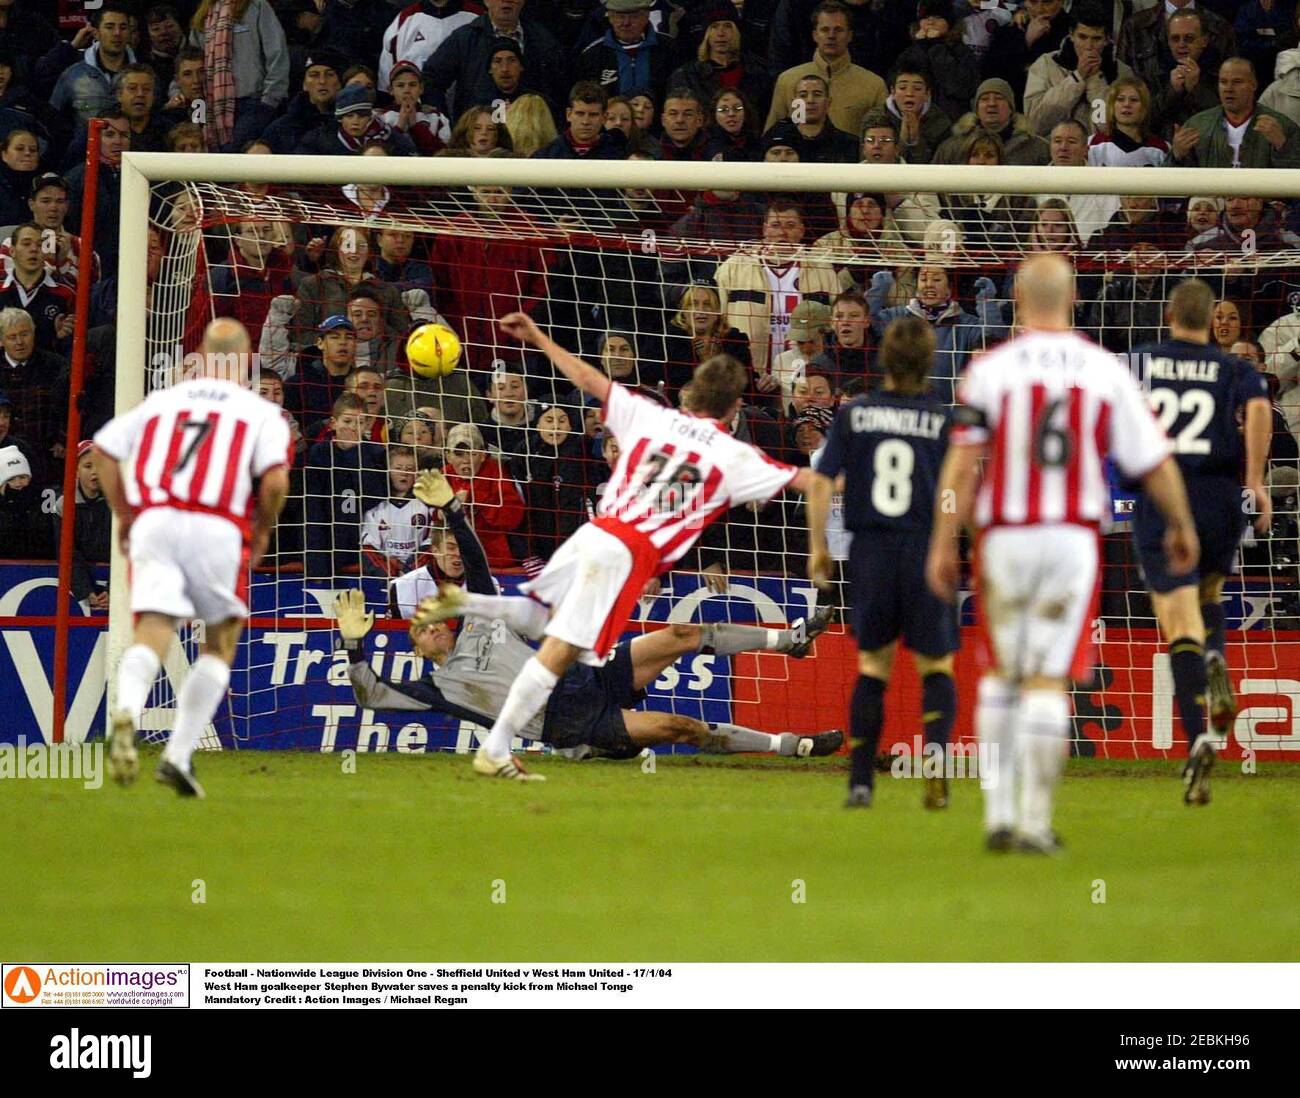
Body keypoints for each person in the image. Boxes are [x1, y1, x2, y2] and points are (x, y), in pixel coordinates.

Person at [417, 310, 819, 780]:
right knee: (554, 639)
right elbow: (806, 480)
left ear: (689, 395)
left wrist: (539, 337)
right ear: (733, 412)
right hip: (627, 555)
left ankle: (500, 737)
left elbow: (588, 376)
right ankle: (515, 736)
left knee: (548, 631)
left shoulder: (653, 416)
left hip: (594, 540)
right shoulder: (735, 453)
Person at [925, 254, 1198, 854]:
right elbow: (1153, 461)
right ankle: (1034, 822)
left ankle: (996, 815)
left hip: (1004, 538)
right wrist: (1180, 522)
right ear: (1073, 297)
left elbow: (961, 463)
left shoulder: (989, 369)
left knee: (1002, 671)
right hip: (1072, 539)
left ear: (1018, 296)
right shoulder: (1105, 371)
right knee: (1049, 677)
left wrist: (944, 536)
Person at [338, 468, 840, 761]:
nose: (429, 630)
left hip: (584, 676)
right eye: (420, 632)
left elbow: (475, 563)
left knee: (683, 632)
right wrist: (353, 644)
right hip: (570, 720)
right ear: (420, 650)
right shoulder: (439, 690)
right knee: (681, 726)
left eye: (429, 623)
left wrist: (451, 510)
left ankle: (789, 641)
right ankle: (791, 746)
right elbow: (372, 694)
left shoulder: (479, 620)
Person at [92, 318, 292, 797]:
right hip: (216, 525)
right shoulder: (260, 412)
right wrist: (261, 530)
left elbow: (103, 451)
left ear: (201, 355)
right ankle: (178, 756)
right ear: (246, 361)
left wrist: (125, 516)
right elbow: (276, 482)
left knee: (154, 627)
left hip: (156, 520)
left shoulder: (163, 400)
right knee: (221, 638)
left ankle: (128, 711)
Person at [1128, 279, 1272, 806]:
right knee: (1208, 594)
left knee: (1176, 620)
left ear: (1169, 313)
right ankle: (1216, 654)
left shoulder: (1141, 360)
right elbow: (1258, 409)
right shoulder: (1232, 367)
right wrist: (1254, 481)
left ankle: (1197, 745)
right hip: (1218, 498)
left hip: (1163, 495)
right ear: (1212, 319)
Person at [809, 315, 956, 809]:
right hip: (922, 546)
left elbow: (822, 481)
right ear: (929, 362)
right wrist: (953, 544)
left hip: (870, 549)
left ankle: (859, 783)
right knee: (936, 665)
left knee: (874, 667)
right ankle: (935, 763)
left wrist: (817, 547)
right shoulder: (942, 418)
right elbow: (953, 495)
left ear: (883, 358)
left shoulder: (856, 414)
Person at [765, 1, 885, 139]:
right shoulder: (788, 80)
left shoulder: (874, 86)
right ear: (815, 35)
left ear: (850, 35)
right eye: (825, 30)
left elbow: (884, 140)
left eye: (838, 30)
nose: (831, 36)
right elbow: (771, 140)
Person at [1170, 57, 1300, 168]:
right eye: (1223, 82)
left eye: (1237, 82)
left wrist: (1283, 148)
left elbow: (1294, 184)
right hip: (1212, 196)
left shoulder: (1282, 126)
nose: (1229, 89)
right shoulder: (1198, 125)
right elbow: (1172, 188)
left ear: (1253, 85)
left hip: (1262, 196)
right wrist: (1176, 156)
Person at [53, 439, 112, 613]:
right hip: (85, 585)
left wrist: (115, 590)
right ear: (76, 470)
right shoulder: (64, 505)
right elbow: (67, 551)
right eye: (88, 466)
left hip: (114, 582)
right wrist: (85, 590)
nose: (95, 472)